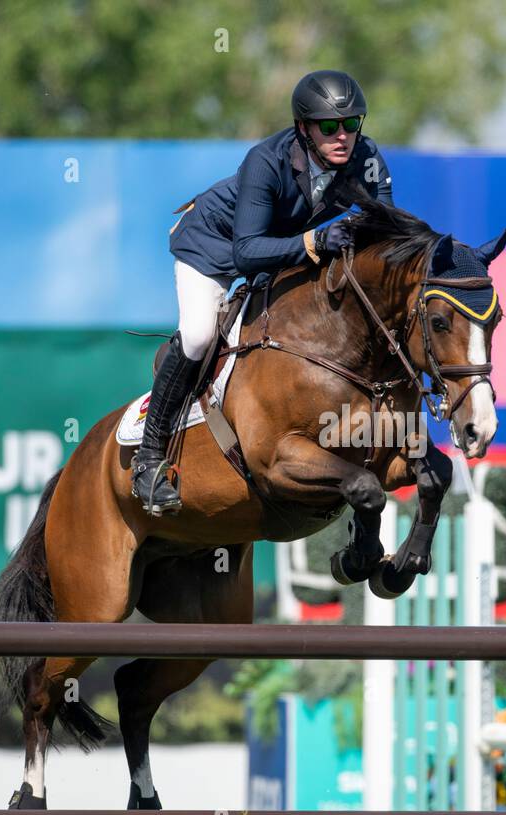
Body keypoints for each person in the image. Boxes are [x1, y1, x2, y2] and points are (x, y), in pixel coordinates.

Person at [131, 69, 396, 516]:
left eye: (353, 124)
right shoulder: (266, 160)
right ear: (303, 129)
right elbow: (249, 250)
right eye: (330, 127)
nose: (343, 136)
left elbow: (386, 229)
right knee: (198, 334)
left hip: (281, 250)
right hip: (215, 247)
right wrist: (314, 242)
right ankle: (149, 456)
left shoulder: (365, 158)